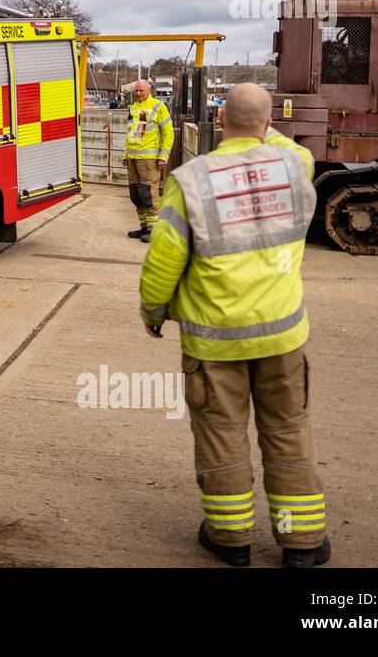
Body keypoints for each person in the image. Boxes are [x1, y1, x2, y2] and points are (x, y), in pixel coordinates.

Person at [138, 83, 330, 568]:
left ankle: (230, 540)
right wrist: (267, 129)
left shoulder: (192, 180)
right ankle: (302, 545)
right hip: (282, 336)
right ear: (267, 125)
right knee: (287, 430)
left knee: (222, 433)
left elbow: (163, 260)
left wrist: (154, 312)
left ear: (219, 123)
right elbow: (280, 143)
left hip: (214, 340)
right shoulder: (296, 166)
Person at [123, 80, 174, 242]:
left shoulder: (159, 107)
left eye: (141, 91)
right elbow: (131, 133)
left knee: (148, 195)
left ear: (149, 90)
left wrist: (163, 156)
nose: (138, 93)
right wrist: (125, 154)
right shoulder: (133, 108)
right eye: (136, 91)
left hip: (149, 160)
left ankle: (155, 230)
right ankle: (144, 227)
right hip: (132, 158)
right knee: (136, 195)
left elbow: (168, 133)